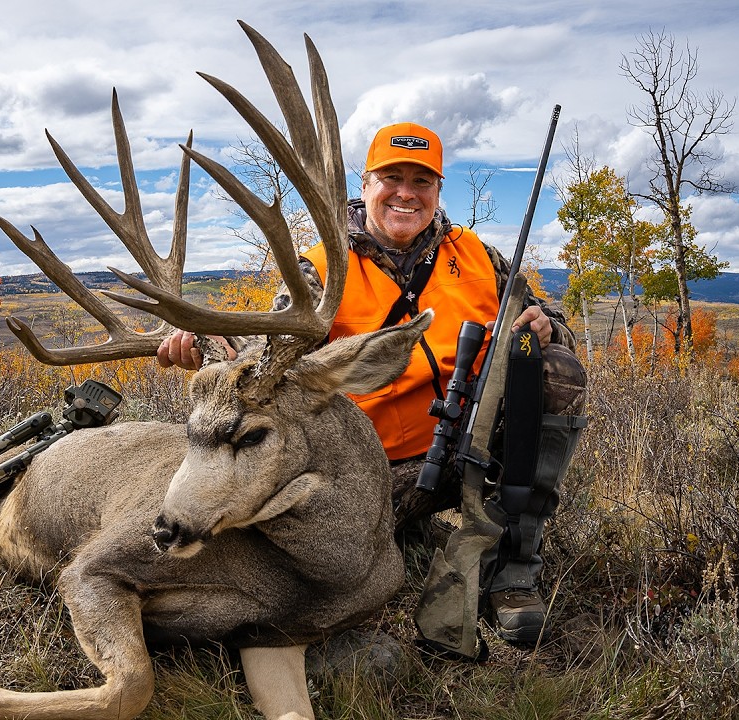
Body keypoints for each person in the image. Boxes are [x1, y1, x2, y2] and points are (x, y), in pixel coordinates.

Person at [157, 122, 587, 650]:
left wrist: (546, 326)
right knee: (353, 560)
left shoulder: (476, 255)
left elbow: (552, 320)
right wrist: (202, 343)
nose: (406, 193)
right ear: (365, 185)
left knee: (556, 369)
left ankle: (514, 572)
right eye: (392, 178)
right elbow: (257, 358)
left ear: (437, 191)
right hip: (373, 470)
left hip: (473, 449)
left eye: (422, 181)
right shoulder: (320, 270)